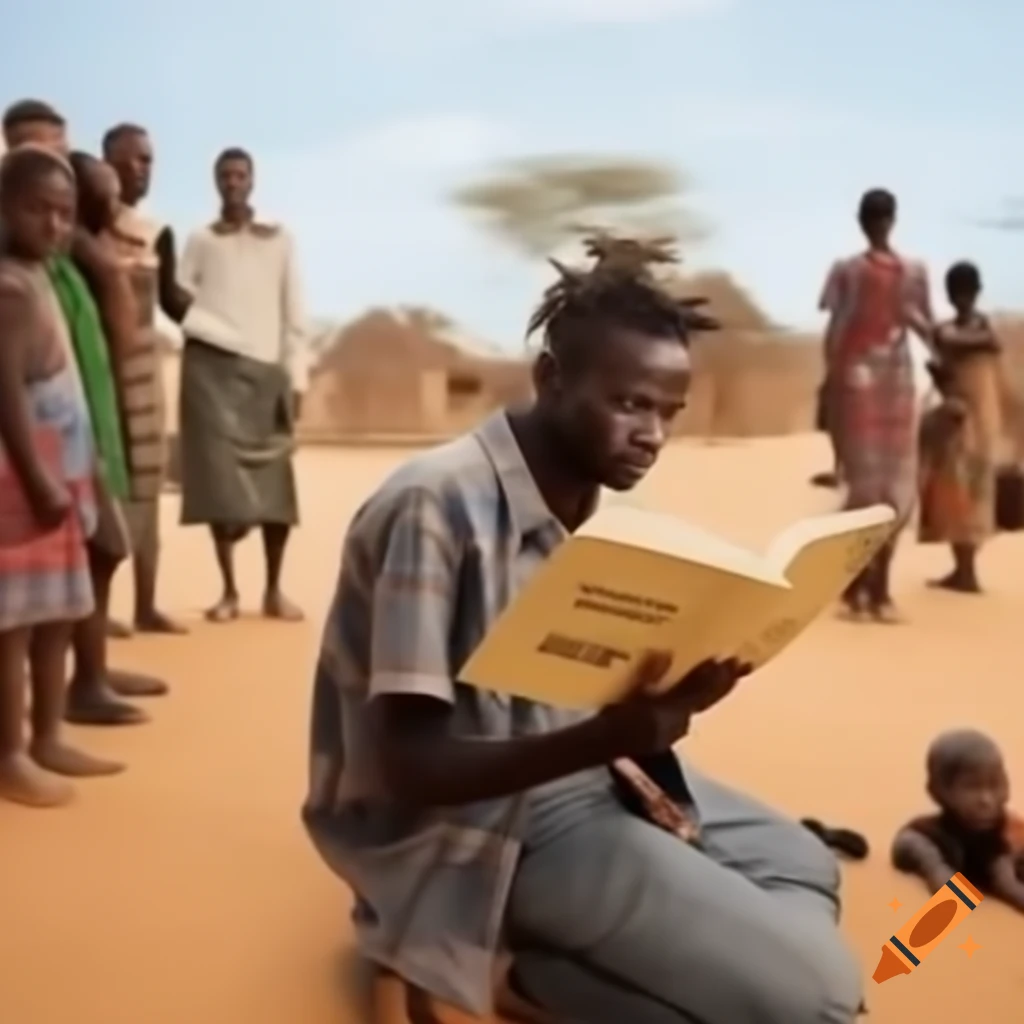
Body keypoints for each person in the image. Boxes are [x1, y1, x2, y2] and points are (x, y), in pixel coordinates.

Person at [303, 235, 863, 1024]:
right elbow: (410, 769)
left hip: (591, 769)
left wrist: (678, 692)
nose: (653, 434)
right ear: (550, 378)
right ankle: (496, 959)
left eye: (668, 411)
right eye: (630, 404)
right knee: (823, 1003)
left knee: (804, 865)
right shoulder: (435, 506)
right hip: (478, 826)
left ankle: (596, 970)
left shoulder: (578, 500)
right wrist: (608, 737)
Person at [2, 102, 167, 723]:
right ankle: (66, 698)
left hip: (78, 433)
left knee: (91, 559)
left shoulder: (58, 257)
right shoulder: (26, 270)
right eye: (38, 149)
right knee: (36, 600)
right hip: (41, 454)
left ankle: (86, 677)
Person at [0, 147, 124, 806]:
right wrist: (40, 481)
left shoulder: (42, 276)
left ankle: (48, 736)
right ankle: (10, 754)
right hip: (25, 479)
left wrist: (84, 471)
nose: (52, 224)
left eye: (63, 212)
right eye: (35, 209)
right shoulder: (10, 288)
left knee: (55, 614)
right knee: (14, 624)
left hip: (63, 467)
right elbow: (8, 398)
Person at [177, 147, 307, 623]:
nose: (232, 182)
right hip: (214, 378)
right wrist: (207, 336)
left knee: (276, 490)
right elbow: (178, 299)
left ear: (252, 181)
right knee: (219, 486)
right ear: (216, 182)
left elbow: (295, 312)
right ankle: (228, 591)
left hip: (268, 373)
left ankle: (274, 590)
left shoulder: (280, 238)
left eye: (240, 175)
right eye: (225, 175)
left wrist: (298, 378)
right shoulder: (200, 239)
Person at [819, 189, 933, 623]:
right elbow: (837, 329)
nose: (879, 224)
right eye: (874, 217)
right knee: (867, 489)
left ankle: (879, 586)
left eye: (882, 217)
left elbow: (922, 324)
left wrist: (947, 364)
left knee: (896, 490)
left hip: (895, 384)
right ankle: (857, 587)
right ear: (865, 222)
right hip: (858, 382)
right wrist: (831, 382)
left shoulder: (912, 272)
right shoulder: (847, 271)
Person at [101, 123, 190, 636]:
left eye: (148, 160)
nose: (141, 170)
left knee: (149, 486)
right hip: (99, 368)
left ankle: (146, 604)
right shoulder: (82, 227)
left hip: (143, 370)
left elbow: (173, 302)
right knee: (108, 484)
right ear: (107, 163)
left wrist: (228, 326)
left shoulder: (156, 232)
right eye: (132, 159)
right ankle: (97, 609)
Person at [917, 262, 1021, 593]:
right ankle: (964, 570)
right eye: (957, 292)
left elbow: (957, 344)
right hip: (963, 420)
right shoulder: (982, 332)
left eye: (965, 292)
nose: (961, 298)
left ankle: (966, 572)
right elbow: (953, 357)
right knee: (958, 495)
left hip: (977, 422)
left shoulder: (964, 333)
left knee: (970, 495)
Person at [892, 730, 1024, 910]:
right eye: (972, 787)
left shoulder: (1003, 833)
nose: (986, 800)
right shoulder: (925, 836)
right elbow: (949, 893)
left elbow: (1007, 882)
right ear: (938, 791)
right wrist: (934, 867)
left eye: (995, 784)